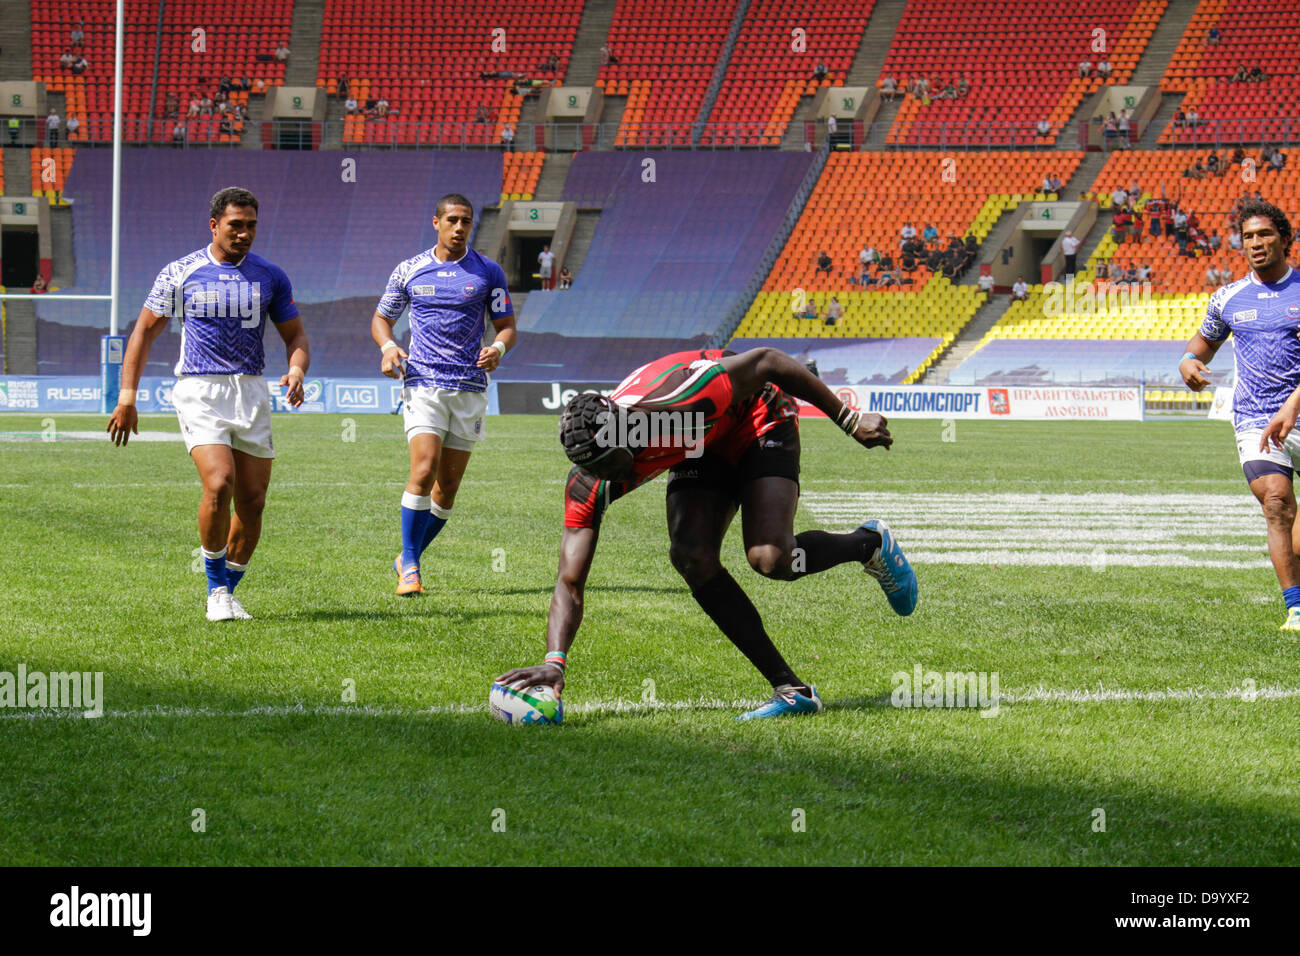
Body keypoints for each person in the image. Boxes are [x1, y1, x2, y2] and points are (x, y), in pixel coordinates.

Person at [495, 346, 913, 720]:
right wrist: (555, 661)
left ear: (629, 431)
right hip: (701, 446)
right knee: (691, 555)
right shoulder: (590, 481)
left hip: (755, 415)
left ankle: (869, 543)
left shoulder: (681, 403)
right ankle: (792, 690)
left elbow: (769, 362)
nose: (610, 477)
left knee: (772, 559)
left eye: (613, 463)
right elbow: (570, 581)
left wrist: (848, 417)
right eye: (596, 469)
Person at [106, 187, 309, 622]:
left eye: (251, 225)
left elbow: (295, 336)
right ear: (214, 225)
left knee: (252, 501)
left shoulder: (271, 276)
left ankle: (227, 591)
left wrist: (296, 370)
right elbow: (142, 332)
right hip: (200, 389)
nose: (244, 233)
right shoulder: (181, 272)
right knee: (220, 483)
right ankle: (215, 588)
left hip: (251, 391)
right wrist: (127, 397)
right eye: (236, 225)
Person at [371, 194, 515, 596]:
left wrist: (498, 349)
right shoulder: (410, 270)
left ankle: (408, 556)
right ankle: (412, 566)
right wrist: (387, 347)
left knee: (447, 490)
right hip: (424, 383)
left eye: (465, 221)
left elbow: (506, 326)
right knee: (424, 470)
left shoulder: (489, 272)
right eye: (451, 219)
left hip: (469, 388)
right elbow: (382, 319)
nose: (459, 227)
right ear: (435, 222)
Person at [1181, 200, 1300, 630]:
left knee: (1298, 534)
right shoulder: (1227, 298)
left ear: (1286, 240)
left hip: (1297, 412)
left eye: (1265, 234)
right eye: (1248, 236)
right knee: (1275, 501)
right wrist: (1187, 363)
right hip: (1255, 417)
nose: (1256, 243)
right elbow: (1201, 346)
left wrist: (1293, 405)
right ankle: (1296, 610)